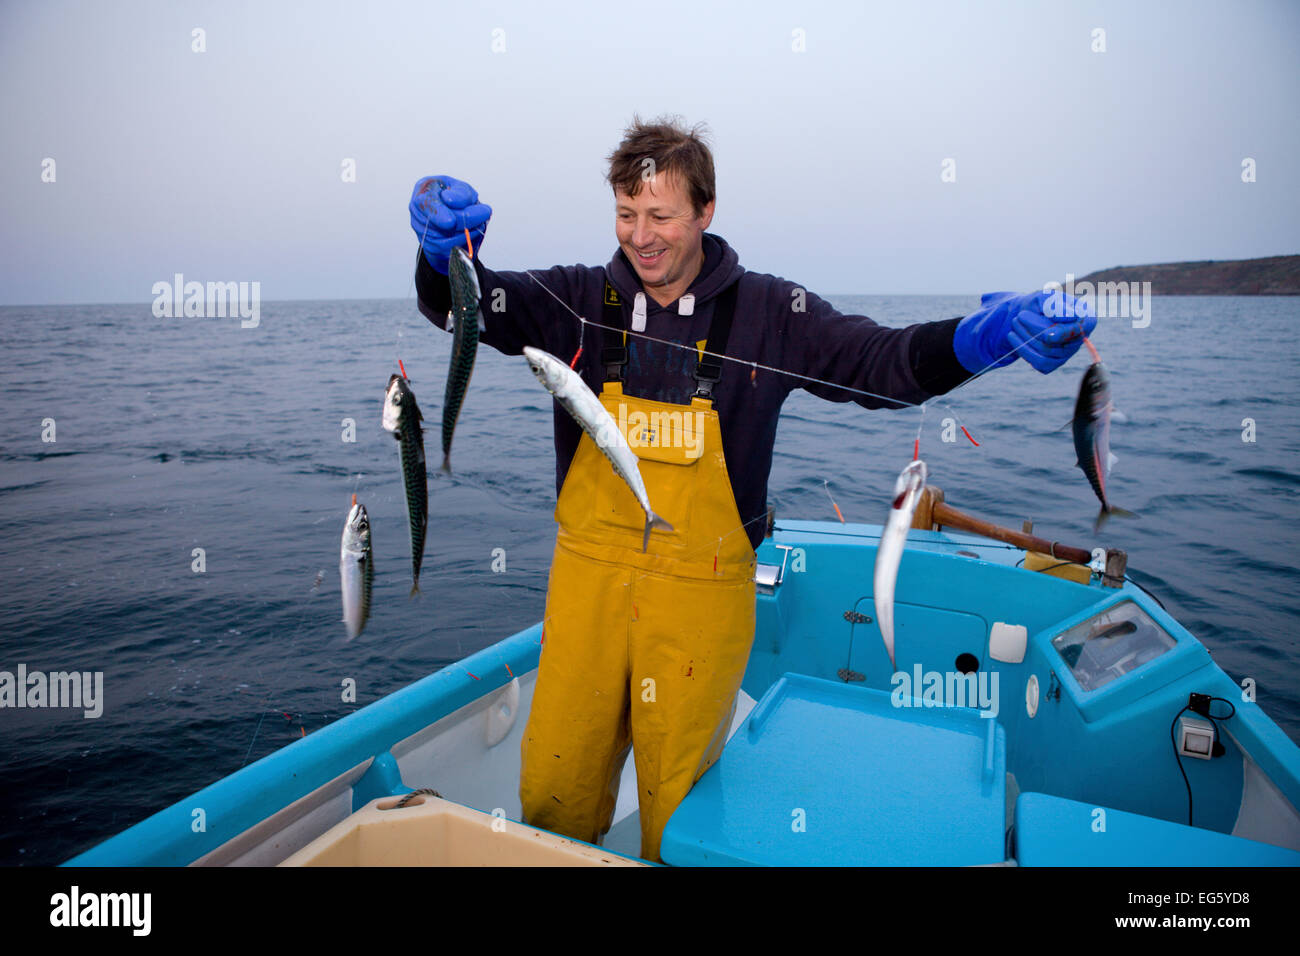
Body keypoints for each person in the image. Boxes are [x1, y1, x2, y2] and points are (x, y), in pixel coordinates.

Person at [410, 117, 1094, 862]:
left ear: (705, 211)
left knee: (679, 811)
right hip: (586, 589)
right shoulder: (575, 299)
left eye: (662, 215)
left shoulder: (770, 314)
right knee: (551, 791)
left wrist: (984, 339)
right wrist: (440, 255)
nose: (642, 236)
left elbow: (881, 364)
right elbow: (462, 308)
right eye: (626, 214)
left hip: (702, 596)